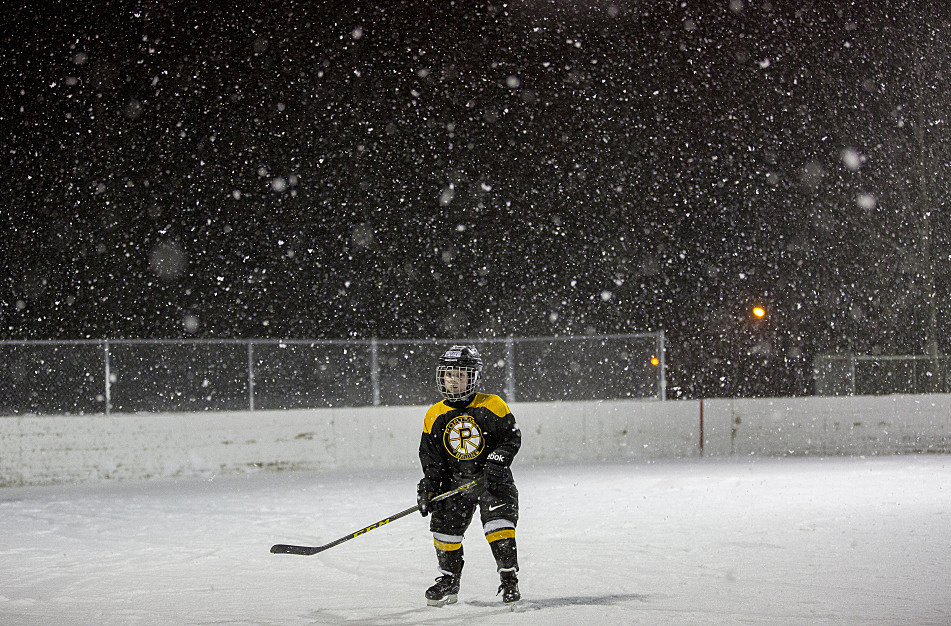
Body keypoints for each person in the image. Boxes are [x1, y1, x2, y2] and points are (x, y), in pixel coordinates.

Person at [417, 344, 522, 606]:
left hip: (491, 480)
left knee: (498, 526)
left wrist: (497, 461)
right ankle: (449, 580)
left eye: (461, 375)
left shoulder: (492, 404)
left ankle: (509, 580)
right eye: (449, 375)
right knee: (444, 530)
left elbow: (511, 438)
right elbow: (432, 459)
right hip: (455, 483)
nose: (454, 381)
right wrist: (429, 486)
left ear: (473, 377)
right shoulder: (435, 414)